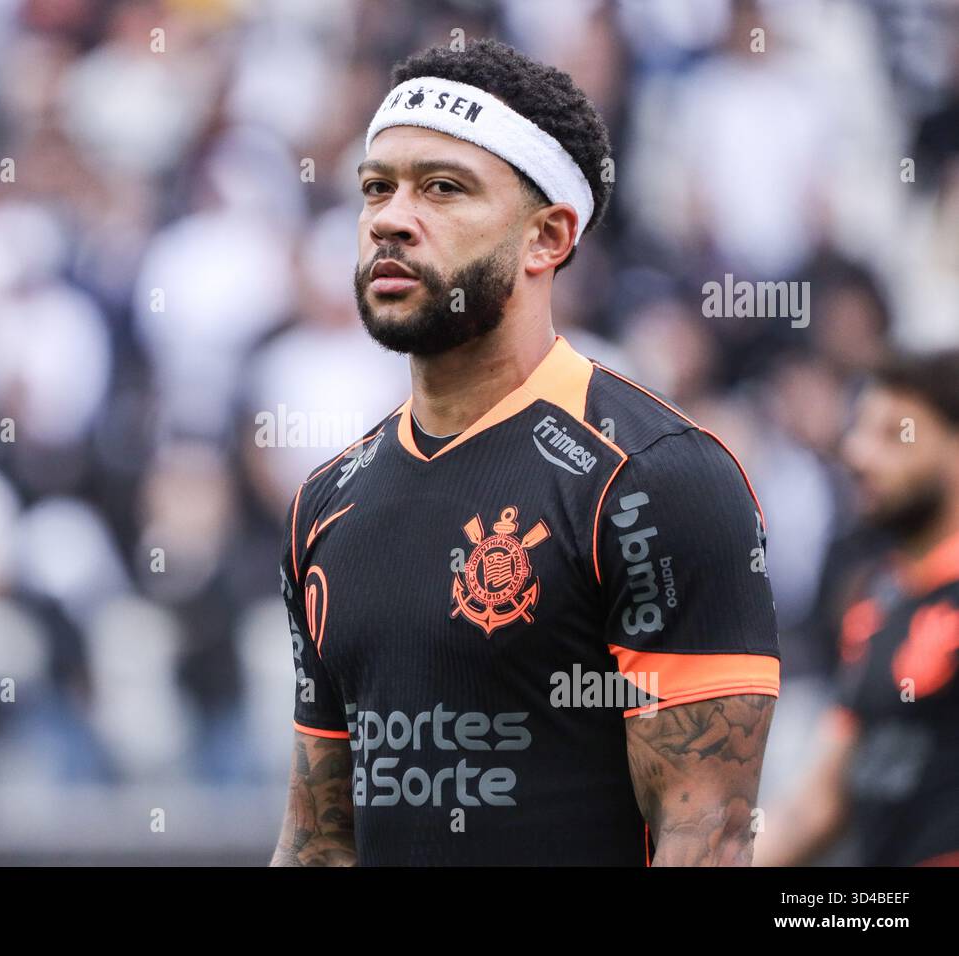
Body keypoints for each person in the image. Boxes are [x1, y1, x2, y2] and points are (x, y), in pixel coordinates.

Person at [270, 39, 780, 866]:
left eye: (442, 187)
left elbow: (710, 838)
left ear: (547, 237)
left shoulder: (655, 479)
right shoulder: (326, 503)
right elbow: (318, 843)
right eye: (376, 188)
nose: (391, 218)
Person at [756, 350, 959, 867]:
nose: (858, 455)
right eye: (859, 431)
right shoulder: (877, 603)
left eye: (894, 434)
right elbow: (819, 803)